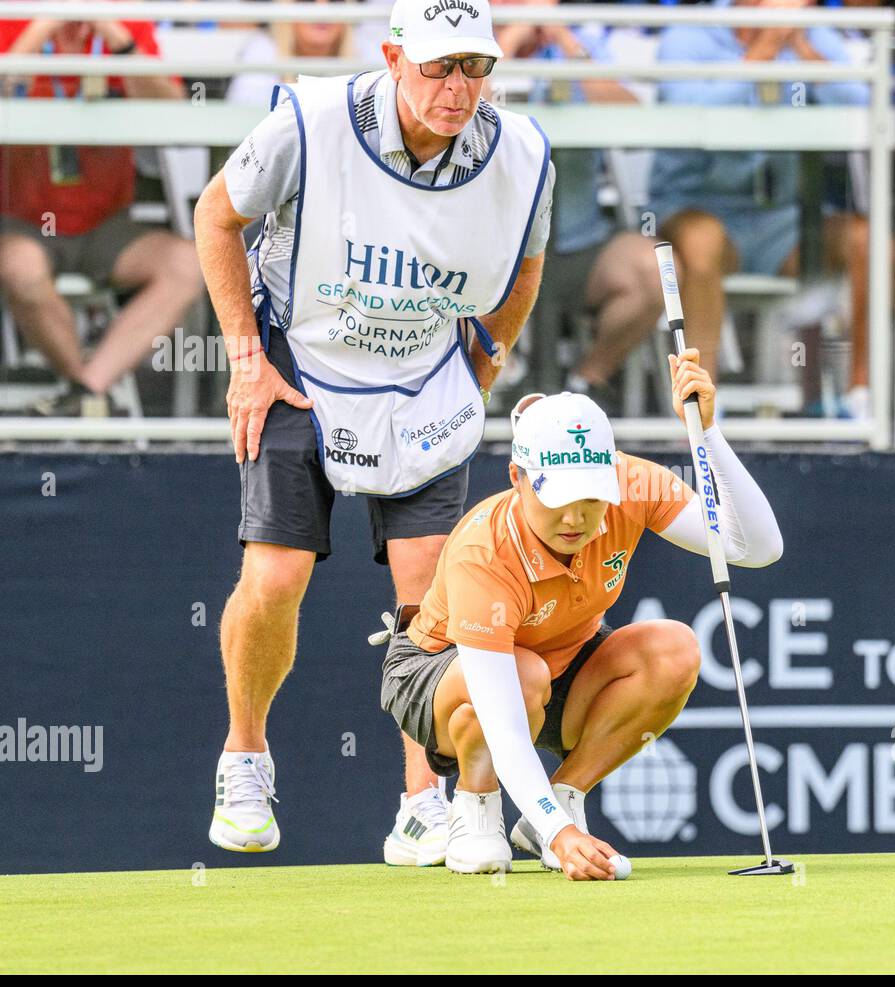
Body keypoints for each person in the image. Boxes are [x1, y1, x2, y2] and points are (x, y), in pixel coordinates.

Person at [194, 0, 555, 864]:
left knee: (429, 597)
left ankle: (420, 800)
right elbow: (217, 216)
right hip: (300, 362)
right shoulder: (310, 122)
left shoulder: (521, 152)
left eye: (474, 67)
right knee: (274, 577)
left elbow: (525, 263)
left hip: (426, 376)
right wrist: (247, 360)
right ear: (394, 57)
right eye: (437, 66)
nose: (457, 87)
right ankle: (245, 753)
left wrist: (486, 359)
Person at [376, 347, 783, 879]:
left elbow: (757, 546)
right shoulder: (485, 550)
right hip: (440, 678)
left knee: (673, 649)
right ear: (517, 478)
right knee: (523, 675)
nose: (575, 518)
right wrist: (561, 839)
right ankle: (475, 807)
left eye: (591, 498)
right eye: (557, 497)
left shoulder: (633, 484)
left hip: (561, 669)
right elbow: (501, 711)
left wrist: (707, 436)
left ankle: (563, 797)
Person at [648, 0, 872, 416]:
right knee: (702, 241)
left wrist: (803, 49)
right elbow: (689, 111)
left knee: (867, 240)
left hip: (783, 220)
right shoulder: (688, 32)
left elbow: (864, 104)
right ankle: (698, 409)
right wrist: (763, 52)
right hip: (696, 206)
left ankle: (862, 397)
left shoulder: (807, 29)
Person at [0, 10, 202, 417]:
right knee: (19, 267)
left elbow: (174, 108)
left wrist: (117, 38)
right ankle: (87, 391)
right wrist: (43, 29)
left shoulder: (129, 23)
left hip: (106, 225)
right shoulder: (12, 18)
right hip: (24, 224)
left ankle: (86, 390)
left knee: (190, 264)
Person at [498, 0, 664, 413]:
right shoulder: (461, 42)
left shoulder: (579, 42)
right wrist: (509, 41)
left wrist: (564, 40)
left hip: (576, 246)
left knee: (654, 268)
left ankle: (584, 385)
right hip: (489, 258)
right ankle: (501, 372)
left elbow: (635, 120)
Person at [225, 0, 360, 109]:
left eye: (335, 1)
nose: (322, 10)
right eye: (307, 1)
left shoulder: (366, 54)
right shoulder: (262, 51)